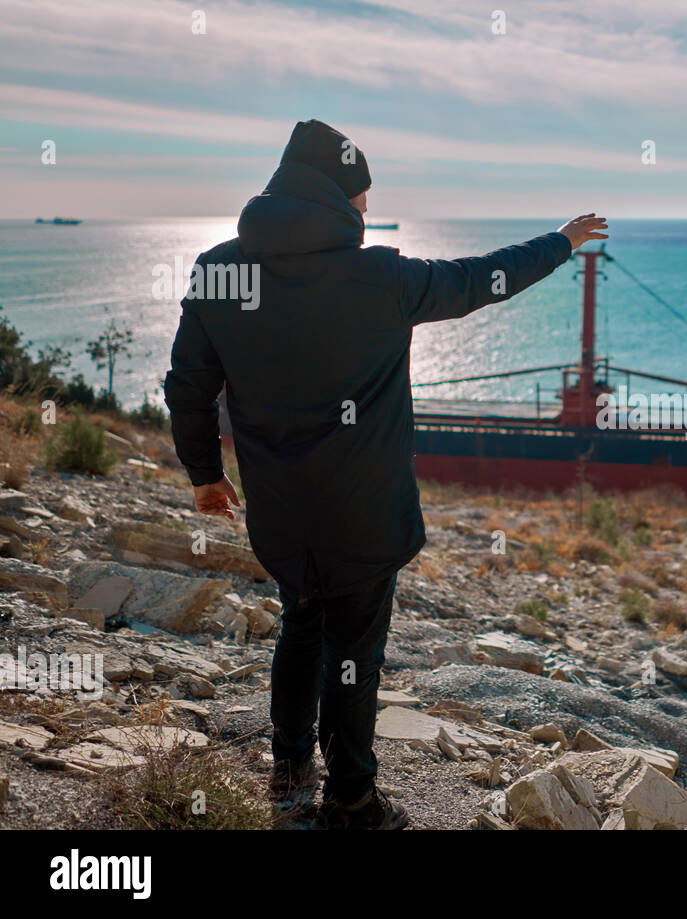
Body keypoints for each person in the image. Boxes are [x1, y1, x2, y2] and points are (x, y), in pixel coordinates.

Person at [163, 118, 608, 829]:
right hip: (366, 509)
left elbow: (187, 385)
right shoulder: (384, 276)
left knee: (299, 623)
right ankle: (353, 802)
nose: (367, 215)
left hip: (280, 505)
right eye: (363, 201)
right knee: (354, 654)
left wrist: (203, 474)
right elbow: (481, 280)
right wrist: (563, 241)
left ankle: (287, 767)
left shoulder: (222, 270)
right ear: (340, 198)